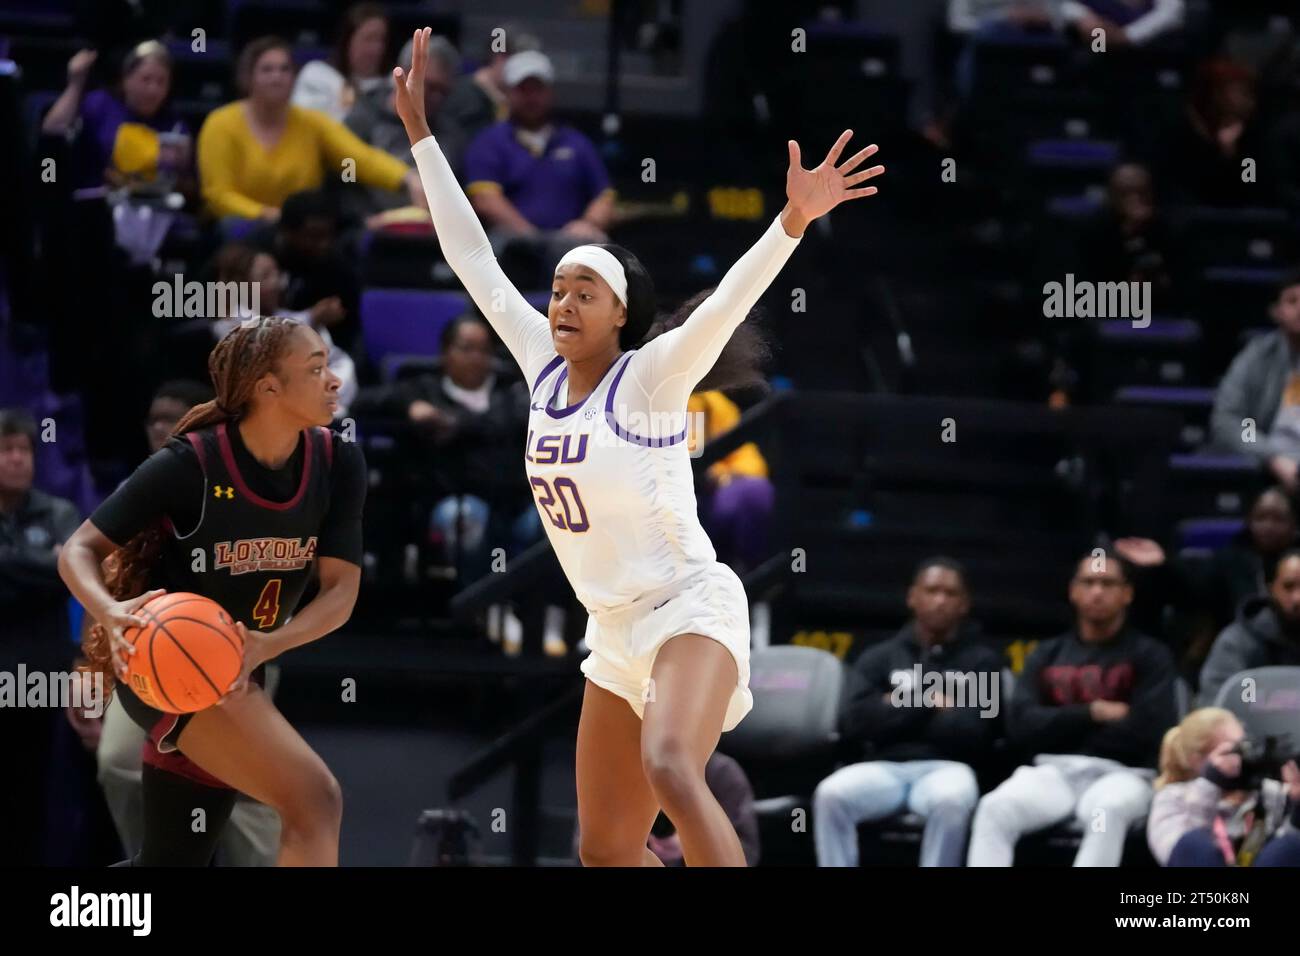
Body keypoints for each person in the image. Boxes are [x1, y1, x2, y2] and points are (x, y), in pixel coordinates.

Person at [396, 26, 884, 866]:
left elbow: (727, 303)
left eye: (584, 291)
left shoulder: (651, 377)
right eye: (556, 289)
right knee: (606, 851)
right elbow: (471, 254)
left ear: (619, 312)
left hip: (690, 609)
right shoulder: (540, 366)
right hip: (611, 633)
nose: (561, 303)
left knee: (672, 769)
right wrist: (422, 138)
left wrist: (793, 222)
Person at [57, 317, 367, 866]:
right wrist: (110, 613)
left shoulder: (337, 461)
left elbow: (341, 592)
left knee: (171, 861)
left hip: (240, 669)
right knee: (315, 802)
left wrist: (271, 644)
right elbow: (78, 550)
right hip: (171, 665)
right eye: (317, 369)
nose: (335, 380)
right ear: (269, 388)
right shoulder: (192, 463)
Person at [66, 379, 283, 866]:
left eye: (173, 418)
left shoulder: (234, 483)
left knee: (252, 784)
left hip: (236, 652)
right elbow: (106, 581)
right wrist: (89, 668)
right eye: (154, 420)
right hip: (152, 652)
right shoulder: (135, 490)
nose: (162, 428)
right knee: (119, 763)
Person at [967, 551, 1177, 866]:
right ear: (1073, 591)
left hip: (1124, 775)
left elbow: (1151, 732)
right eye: (1089, 582)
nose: (1097, 591)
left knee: (1104, 814)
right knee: (994, 807)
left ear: (1127, 594)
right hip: (1053, 773)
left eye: (1107, 583)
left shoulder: (1151, 656)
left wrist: (1058, 726)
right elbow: (1021, 727)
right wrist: (1091, 713)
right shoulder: (1045, 655)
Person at [813, 558, 1003, 867]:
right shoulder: (878, 656)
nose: (940, 600)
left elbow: (978, 734)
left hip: (948, 768)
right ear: (913, 597)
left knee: (951, 800)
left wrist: (895, 704)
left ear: (964, 603)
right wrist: (929, 702)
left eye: (950, 593)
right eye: (931, 590)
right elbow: (856, 723)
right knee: (831, 794)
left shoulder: (983, 663)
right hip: (883, 767)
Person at [197, 36, 425, 224]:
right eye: (267, 70)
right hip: (244, 228)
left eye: (284, 69)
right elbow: (218, 196)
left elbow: (360, 158)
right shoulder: (220, 124)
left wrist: (407, 179)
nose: (277, 77)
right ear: (248, 78)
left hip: (301, 232)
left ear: (293, 78)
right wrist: (269, 216)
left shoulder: (312, 122)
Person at [0, 409, 83, 864]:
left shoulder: (58, 511)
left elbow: (71, 571)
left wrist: (15, 565)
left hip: (39, 674)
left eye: (24, 450)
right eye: (6, 450)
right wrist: (42, 563)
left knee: (33, 791)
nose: (17, 459)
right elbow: (53, 568)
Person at [461, 50, 616, 281]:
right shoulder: (489, 141)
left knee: (601, 252)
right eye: (523, 89)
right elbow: (485, 198)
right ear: (507, 93)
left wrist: (588, 223)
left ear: (550, 92)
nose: (531, 97)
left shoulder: (576, 142)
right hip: (512, 244)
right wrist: (532, 237)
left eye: (538, 89)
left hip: (568, 244)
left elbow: (604, 196)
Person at [209, 243, 358, 417]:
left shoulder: (295, 318)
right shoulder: (228, 326)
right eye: (266, 276)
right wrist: (311, 320)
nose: (279, 282)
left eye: (277, 273)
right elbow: (262, 345)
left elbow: (339, 363)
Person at [1148, 707, 1300, 866]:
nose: (1241, 759)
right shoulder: (1172, 798)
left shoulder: (1266, 794)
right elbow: (1183, 853)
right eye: (1233, 750)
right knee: (1193, 844)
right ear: (1196, 760)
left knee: (1290, 845)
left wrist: (1297, 813)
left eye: (1244, 747)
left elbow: (1280, 855)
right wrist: (1211, 784)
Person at [41, 39, 191, 191]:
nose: (153, 90)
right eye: (146, 79)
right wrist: (76, 83)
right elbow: (53, 129)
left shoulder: (174, 125)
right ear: (126, 79)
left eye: (161, 82)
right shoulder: (100, 105)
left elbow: (184, 183)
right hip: (96, 204)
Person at [1210, 269, 1300, 492]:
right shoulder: (1258, 357)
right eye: (1292, 301)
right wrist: (1271, 456)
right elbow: (1232, 419)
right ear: (1276, 312)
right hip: (1269, 465)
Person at [686, 384, 774, 574]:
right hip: (671, 497)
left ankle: (752, 582)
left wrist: (722, 475)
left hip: (713, 495)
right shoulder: (653, 399)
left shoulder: (715, 402)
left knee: (755, 491)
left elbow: (752, 463)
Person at [1197, 549, 1300, 707]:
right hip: (1251, 731)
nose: (1297, 598)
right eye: (1288, 586)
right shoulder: (1237, 642)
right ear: (1271, 589)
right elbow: (1215, 709)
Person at [291, 3, 391, 123]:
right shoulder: (317, 74)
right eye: (368, 39)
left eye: (381, 40)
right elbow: (306, 122)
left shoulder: (392, 84)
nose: (376, 48)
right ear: (347, 41)